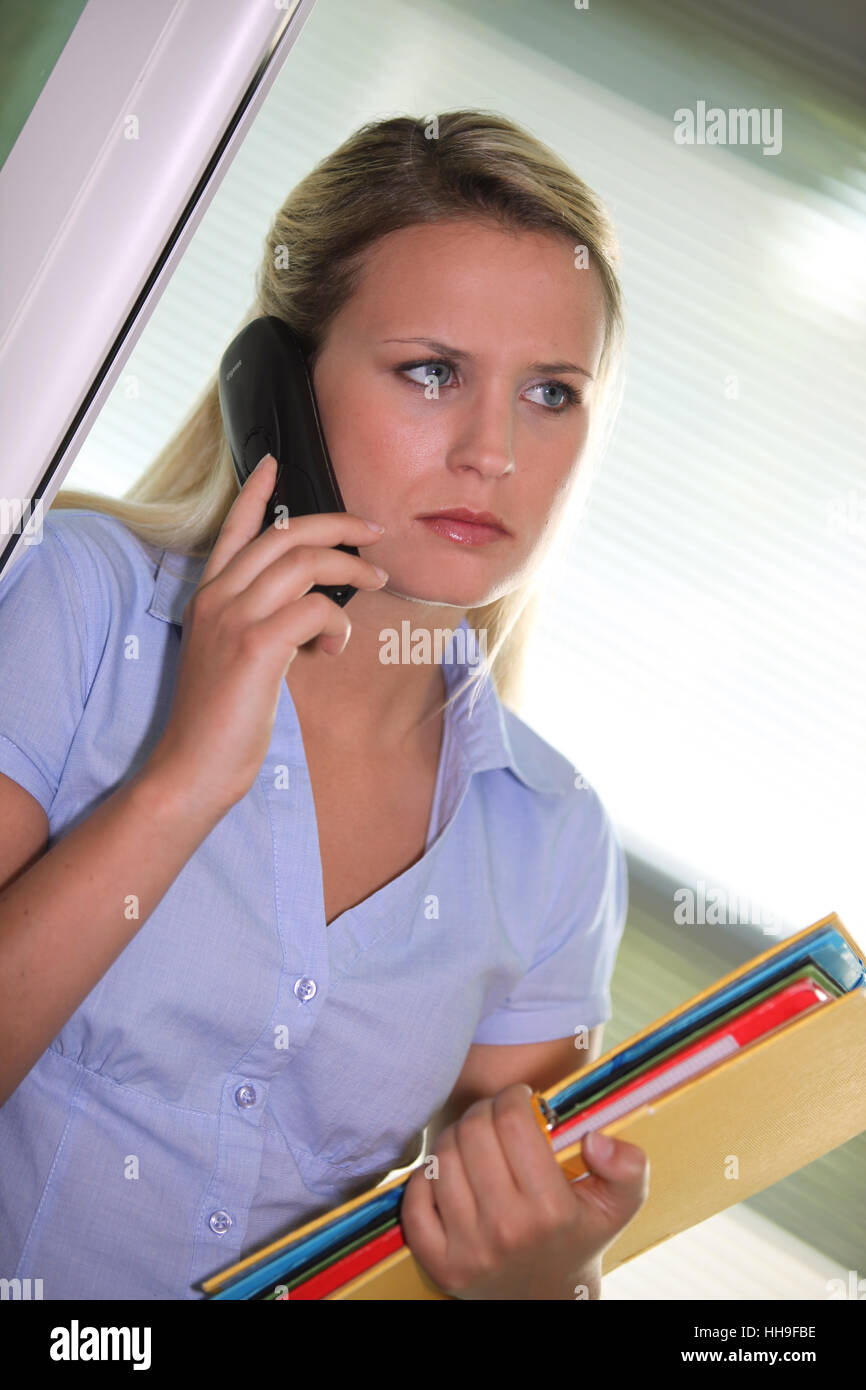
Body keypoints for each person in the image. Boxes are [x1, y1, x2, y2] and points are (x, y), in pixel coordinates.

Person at [0, 110, 648, 1301]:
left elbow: (497, 1226)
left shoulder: (550, 841)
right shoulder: (78, 606)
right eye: (431, 371)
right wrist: (187, 774)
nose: (492, 451)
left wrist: (549, 1287)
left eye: (550, 392)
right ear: (278, 385)